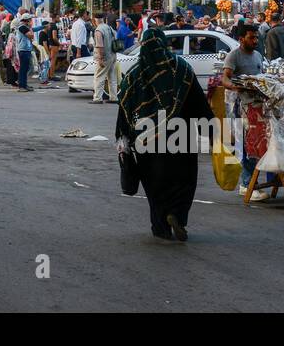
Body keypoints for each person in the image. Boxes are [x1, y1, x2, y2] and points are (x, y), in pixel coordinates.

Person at [115, 29, 214, 242]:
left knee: (154, 185)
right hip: (182, 136)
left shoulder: (133, 76)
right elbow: (198, 103)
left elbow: (124, 111)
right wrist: (212, 132)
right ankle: (177, 214)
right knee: (184, 180)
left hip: (147, 141)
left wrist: (123, 139)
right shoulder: (181, 69)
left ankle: (161, 227)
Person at [219, 24, 269, 200]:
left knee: (259, 143)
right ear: (241, 39)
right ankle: (247, 184)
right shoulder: (233, 55)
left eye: (256, 37)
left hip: (258, 106)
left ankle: (254, 183)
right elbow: (225, 78)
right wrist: (235, 87)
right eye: (251, 37)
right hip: (241, 107)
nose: (255, 41)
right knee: (247, 145)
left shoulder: (258, 55)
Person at [91, 12, 119, 105]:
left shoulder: (99, 30)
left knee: (99, 77)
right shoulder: (109, 27)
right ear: (103, 19)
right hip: (113, 55)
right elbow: (115, 37)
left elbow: (100, 45)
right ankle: (114, 97)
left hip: (105, 57)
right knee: (112, 78)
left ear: (95, 20)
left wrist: (100, 59)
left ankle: (97, 98)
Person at [15, 20, 35, 91]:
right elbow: (31, 36)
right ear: (26, 21)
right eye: (30, 21)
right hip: (23, 50)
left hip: (26, 50)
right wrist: (30, 28)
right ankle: (21, 86)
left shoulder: (25, 28)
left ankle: (24, 85)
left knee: (26, 69)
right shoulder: (22, 27)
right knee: (23, 69)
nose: (31, 22)